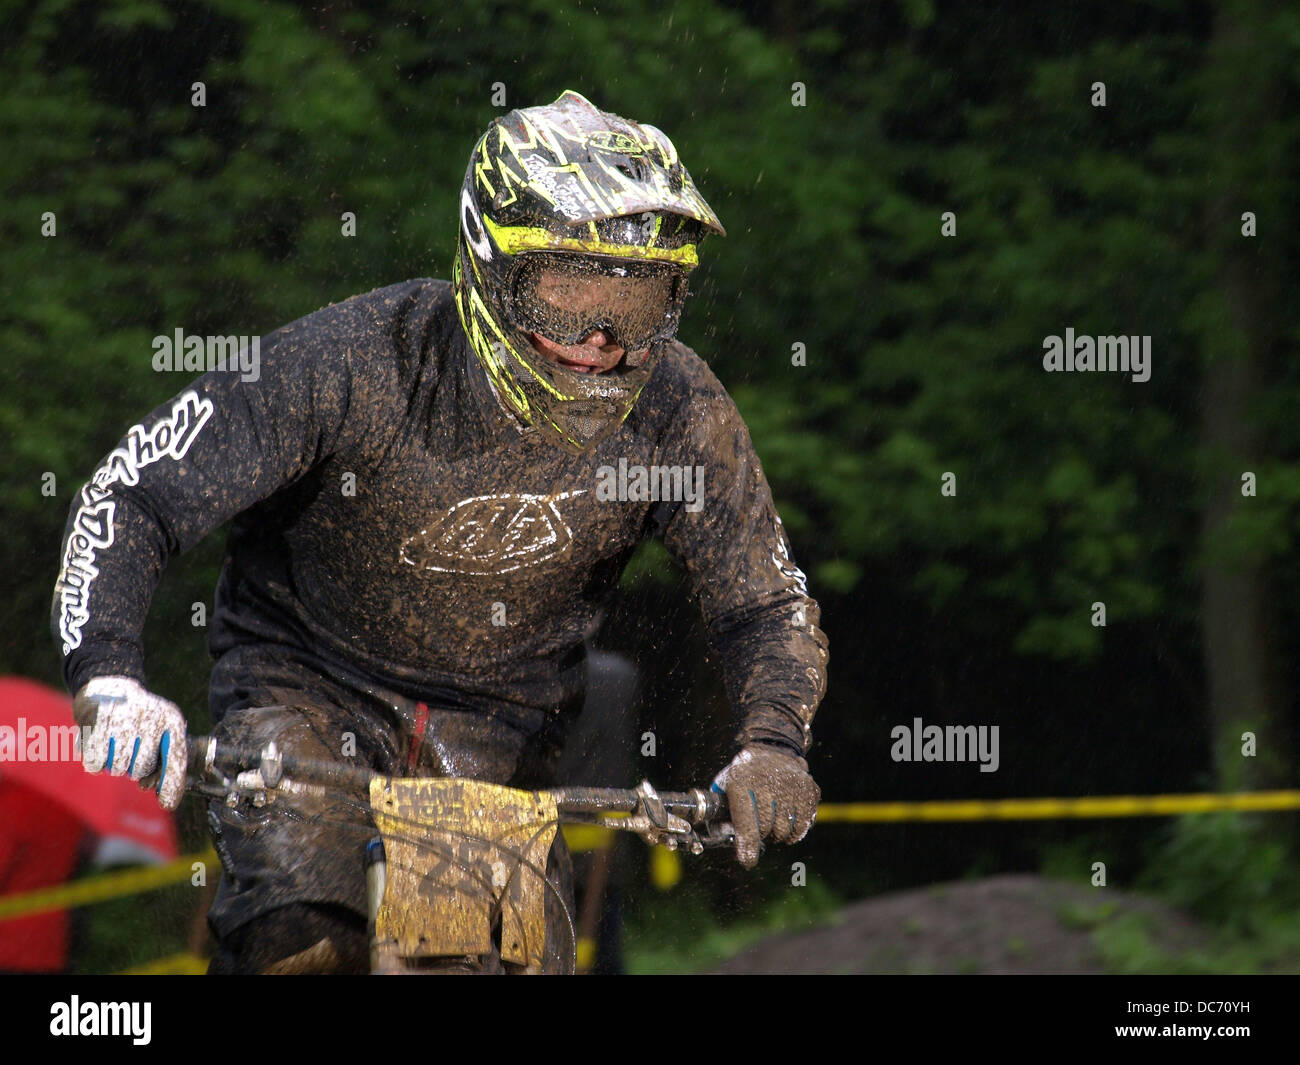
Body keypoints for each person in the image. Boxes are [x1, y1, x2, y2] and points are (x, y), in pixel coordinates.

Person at [51, 90, 829, 973]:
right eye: (570, 292)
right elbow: (132, 491)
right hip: (309, 693)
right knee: (300, 939)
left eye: (639, 301)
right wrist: (110, 675)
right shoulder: (357, 360)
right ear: (493, 268)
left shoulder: (679, 407)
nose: (601, 340)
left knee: (511, 957)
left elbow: (765, 602)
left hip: (507, 731)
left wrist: (773, 743)